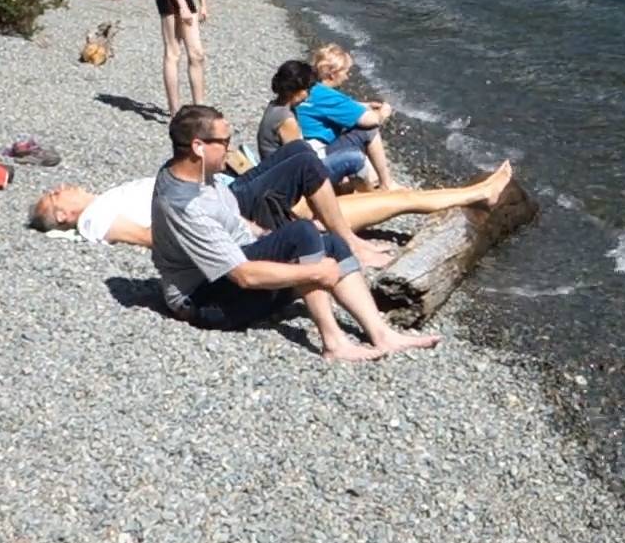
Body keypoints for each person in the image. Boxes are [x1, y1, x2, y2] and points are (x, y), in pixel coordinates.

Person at [145, 106, 440, 360]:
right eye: (224, 142)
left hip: (231, 264)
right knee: (302, 236)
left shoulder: (188, 171)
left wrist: (267, 236)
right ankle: (333, 342)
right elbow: (244, 276)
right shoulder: (184, 205)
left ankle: (381, 333)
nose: (230, 149)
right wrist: (312, 274)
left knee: (330, 243)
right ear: (198, 146)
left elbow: (231, 217)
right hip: (205, 301)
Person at [28, 151, 514, 252]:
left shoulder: (102, 200)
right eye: (54, 197)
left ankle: (475, 192)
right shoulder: (94, 218)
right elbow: (150, 237)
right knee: (303, 159)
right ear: (65, 215)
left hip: (227, 199)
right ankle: (476, 192)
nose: (61, 187)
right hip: (234, 208)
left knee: (390, 199)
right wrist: (233, 235)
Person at [297, 44, 396, 191]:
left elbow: (339, 107)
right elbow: (372, 120)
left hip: (303, 153)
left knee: (350, 125)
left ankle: (367, 178)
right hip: (317, 158)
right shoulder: (329, 97)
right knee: (368, 130)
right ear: (333, 74)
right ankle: (387, 184)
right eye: (345, 72)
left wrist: (364, 105)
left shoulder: (311, 89)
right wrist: (384, 112)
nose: (347, 77)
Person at [260, 59, 370, 188]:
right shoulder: (286, 120)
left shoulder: (276, 106)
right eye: (307, 90)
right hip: (291, 181)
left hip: (283, 172)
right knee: (355, 158)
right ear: (298, 91)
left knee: (345, 156)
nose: (308, 96)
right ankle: (372, 199)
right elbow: (301, 161)